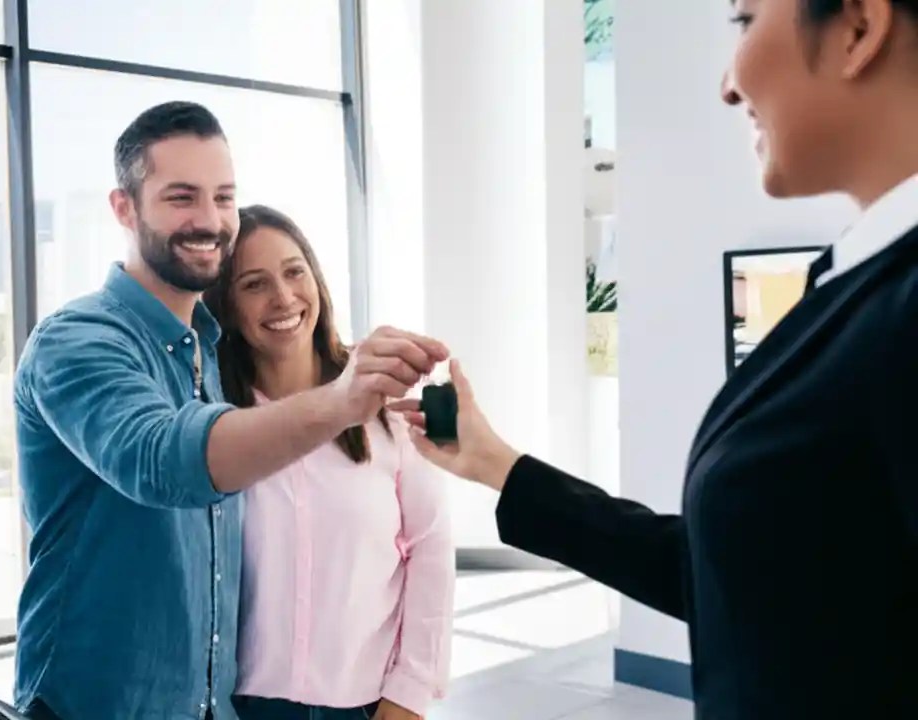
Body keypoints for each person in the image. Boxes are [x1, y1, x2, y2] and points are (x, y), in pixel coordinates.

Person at [393, 0, 918, 717]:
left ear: (859, 27)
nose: (729, 84)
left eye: (744, 20)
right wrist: (497, 465)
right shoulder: (855, 280)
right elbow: (743, 575)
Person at [11, 101, 449, 720]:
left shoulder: (211, 360)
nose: (210, 220)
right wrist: (340, 401)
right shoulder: (77, 340)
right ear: (124, 208)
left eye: (223, 198)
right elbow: (163, 459)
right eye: (181, 197)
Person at [202, 205, 454, 720]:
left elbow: (431, 547)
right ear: (227, 304)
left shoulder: (385, 404)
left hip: (367, 705)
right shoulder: (220, 428)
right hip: (246, 706)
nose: (283, 297)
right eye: (254, 284)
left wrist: (410, 692)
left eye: (294, 271)